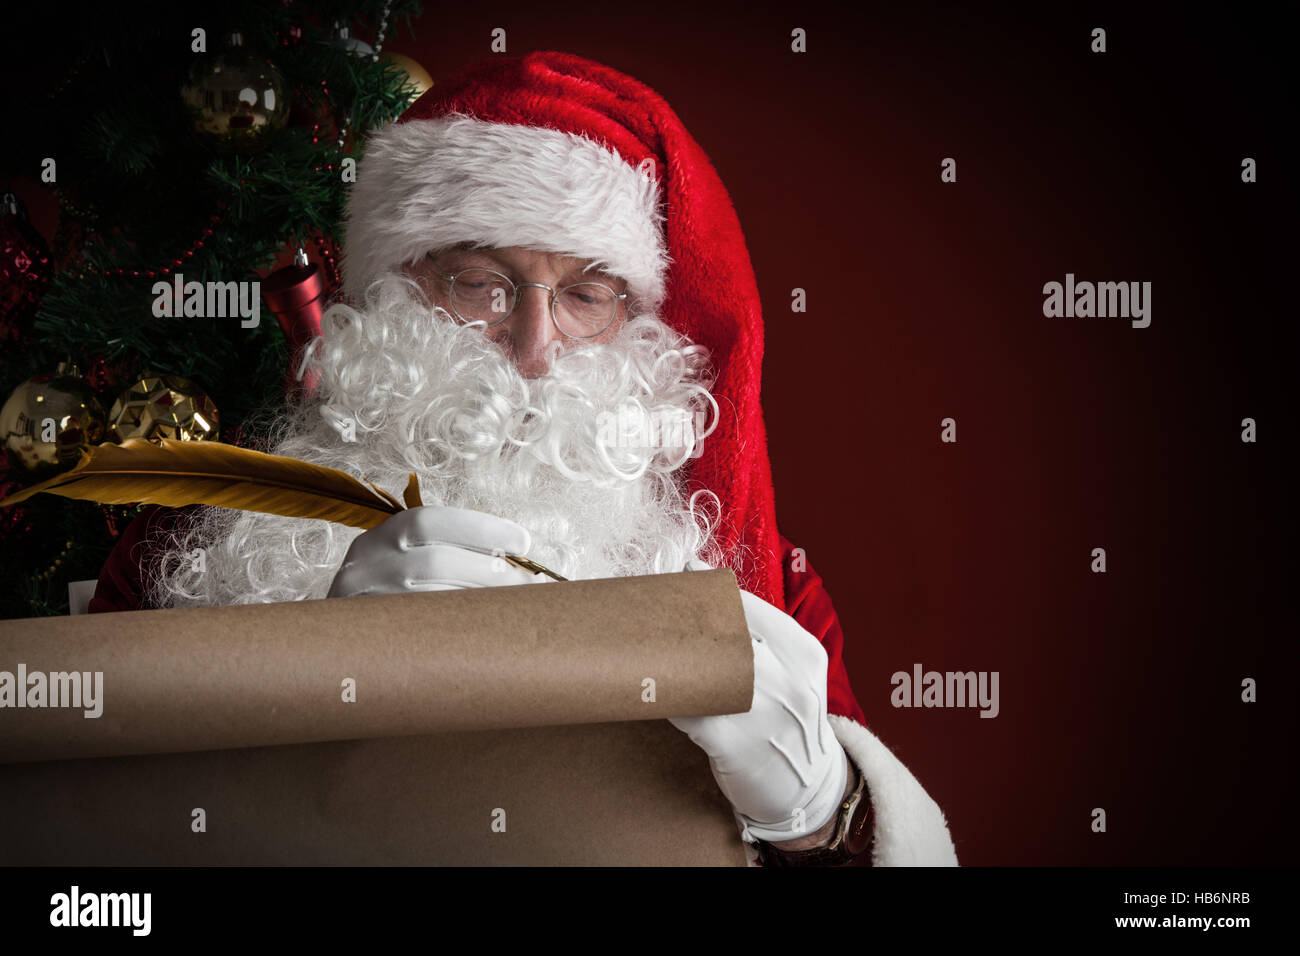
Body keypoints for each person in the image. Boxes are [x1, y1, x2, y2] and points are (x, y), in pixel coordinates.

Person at [91, 50, 958, 867]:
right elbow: (85, 859)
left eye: (585, 294)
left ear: (635, 325)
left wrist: (824, 815)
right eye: (480, 283)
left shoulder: (774, 590)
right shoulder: (188, 551)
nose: (535, 348)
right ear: (391, 294)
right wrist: (304, 673)